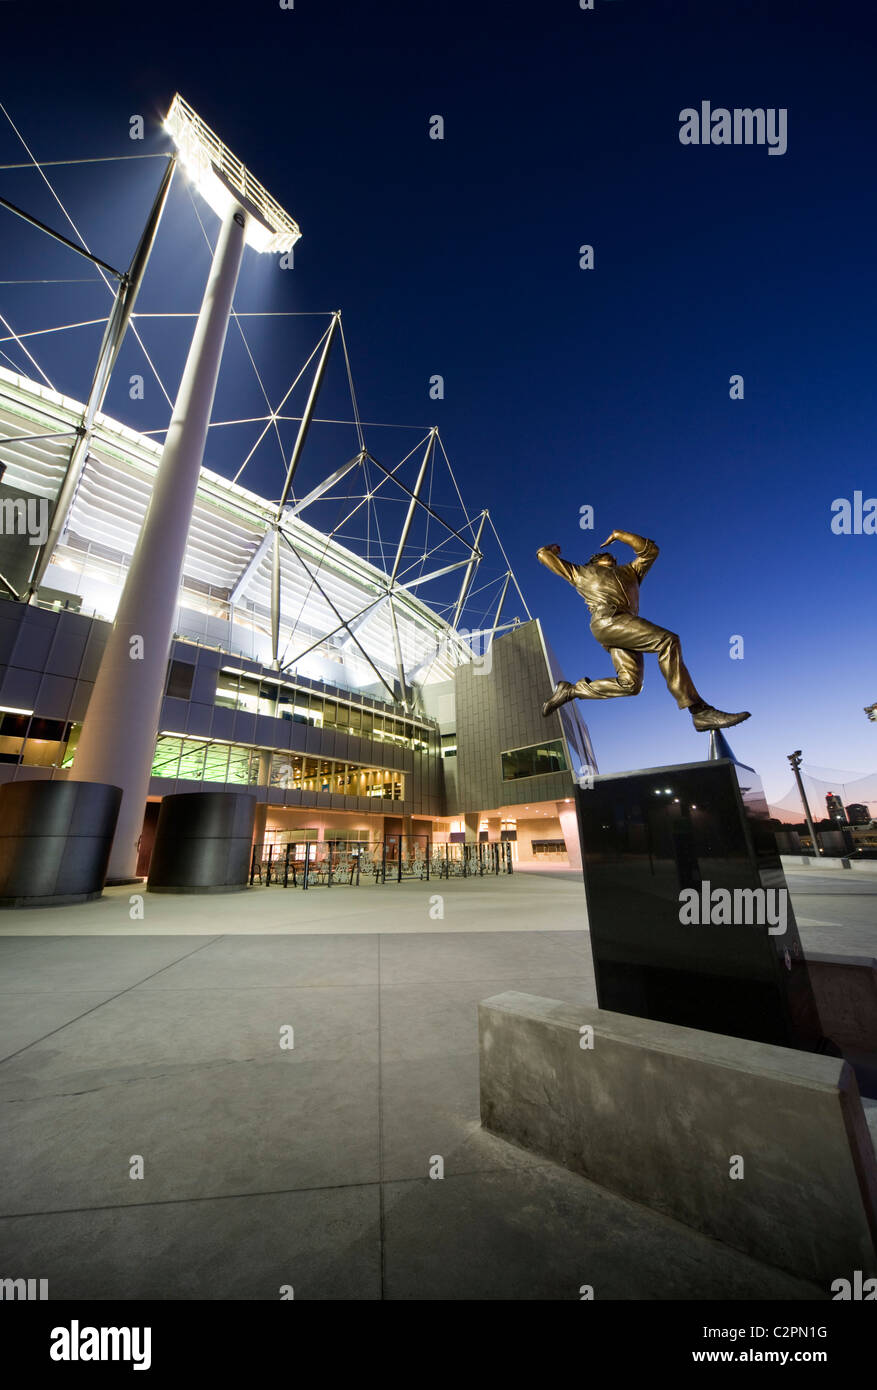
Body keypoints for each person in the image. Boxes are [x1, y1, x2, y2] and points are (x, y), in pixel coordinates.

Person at [537, 528, 750, 731]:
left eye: (613, 556)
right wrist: (552, 549)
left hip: (624, 627)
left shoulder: (631, 572)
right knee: (667, 640)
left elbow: (650, 551)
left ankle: (571, 690)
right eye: (604, 556)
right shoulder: (581, 573)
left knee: (630, 685)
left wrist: (621, 535)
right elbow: (543, 555)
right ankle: (699, 711)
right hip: (608, 620)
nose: (610, 557)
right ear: (594, 561)